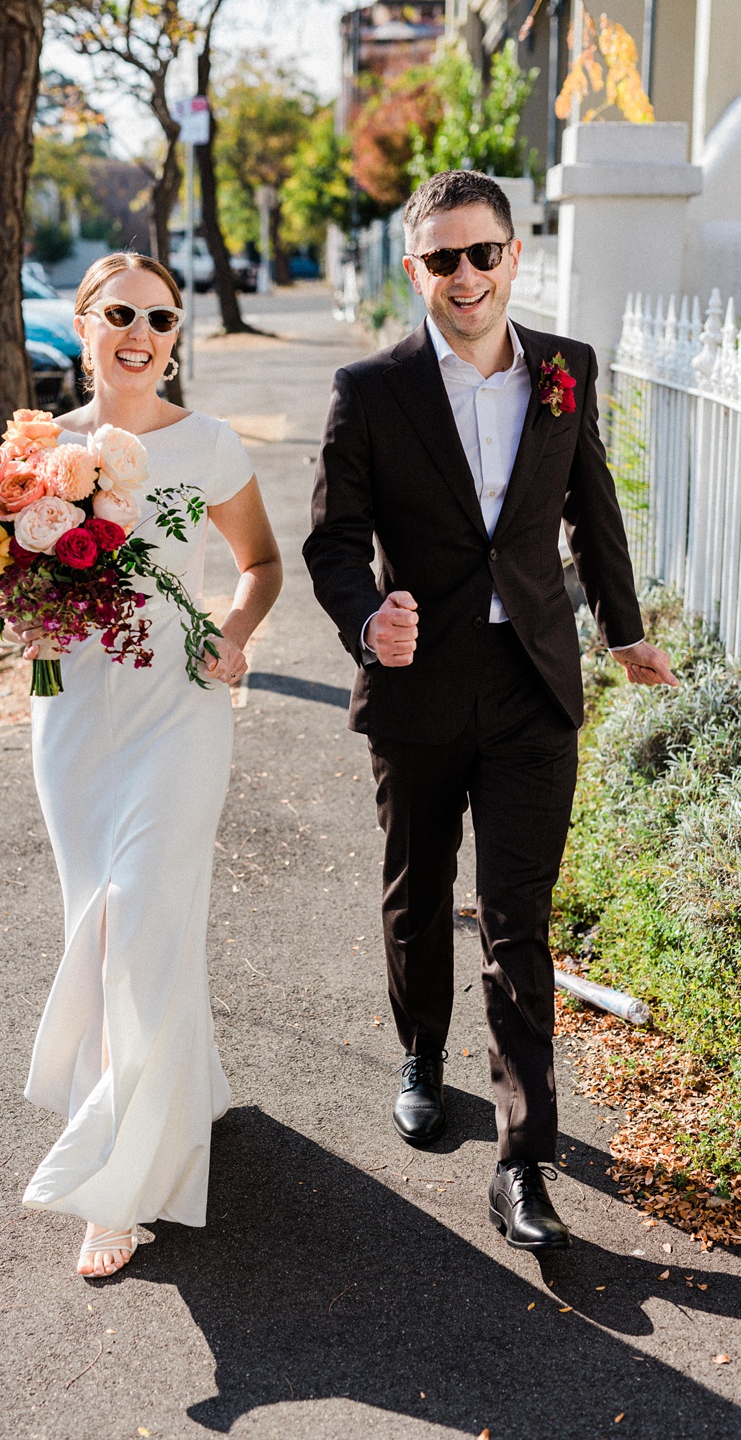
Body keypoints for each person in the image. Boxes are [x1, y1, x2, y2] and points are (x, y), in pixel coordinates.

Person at [303, 171, 677, 1252]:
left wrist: (621, 630)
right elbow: (334, 541)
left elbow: (592, 507)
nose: (464, 275)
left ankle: (523, 1162)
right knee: (419, 892)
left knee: (518, 918)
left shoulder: (565, 369)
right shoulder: (370, 391)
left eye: (482, 253)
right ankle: (422, 1051)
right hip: (418, 683)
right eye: (442, 259)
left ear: (514, 256)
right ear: (414, 269)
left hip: (532, 686)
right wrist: (368, 616)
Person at [17, 252, 281, 1277]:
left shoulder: (208, 444)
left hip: (179, 710)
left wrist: (235, 632)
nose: (143, 334)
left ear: (177, 336)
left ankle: (115, 1187)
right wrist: (19, 611)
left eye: (162, 319)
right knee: (103, 927)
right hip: (73, 718)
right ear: (85, 322)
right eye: (122, 313)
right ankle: (185, 1081)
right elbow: (4, 577)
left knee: (138, 920)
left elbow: (261, 565)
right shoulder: (37, 453)